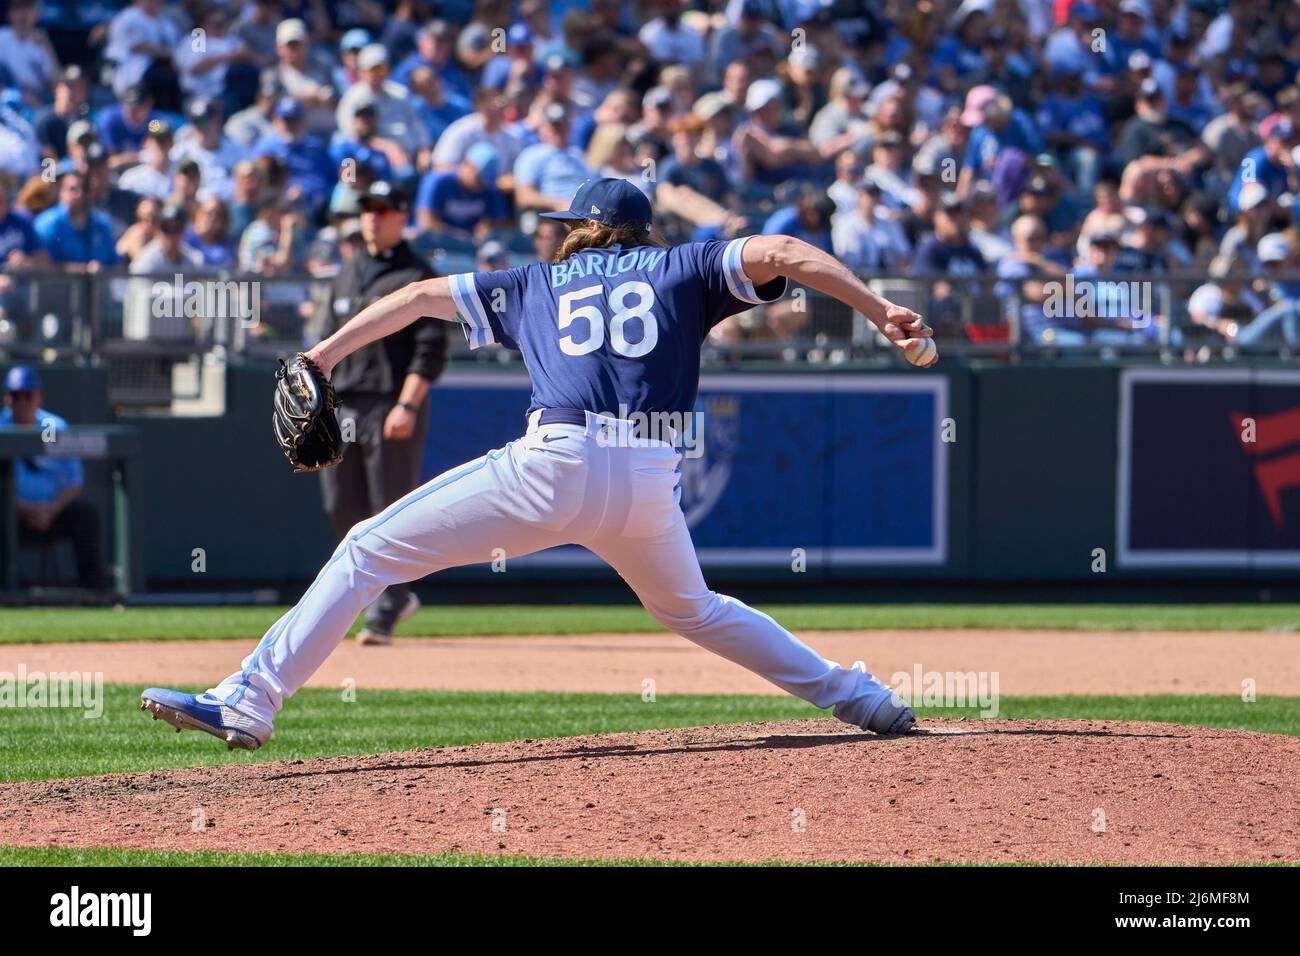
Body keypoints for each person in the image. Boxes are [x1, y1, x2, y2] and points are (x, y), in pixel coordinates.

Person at [138, 177, 934, 751]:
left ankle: (249, 697)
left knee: (367, 547)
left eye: (564, 224)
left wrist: (319, 353)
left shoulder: (536, 281)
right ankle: (861, 699)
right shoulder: (684, 266)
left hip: (556, 462)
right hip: (652, 478)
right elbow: (789, 249)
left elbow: (416, 297)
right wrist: (880, 308)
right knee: (694, 609)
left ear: (581, 229)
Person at [318, 181, 448, 646]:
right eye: (366, 209)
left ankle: (390, 605)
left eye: (382, 209)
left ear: (401, 217)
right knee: (341, 505)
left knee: (389, 509)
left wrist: (408, 404)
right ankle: (386, 594)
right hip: (344, 405)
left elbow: (429, 352)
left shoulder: (417, 274)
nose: (371, 216)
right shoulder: (346, 272)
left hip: (391, 401)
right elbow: (322, 342)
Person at [0, 366, 105, 590]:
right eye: (17, 396)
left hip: (52, 513)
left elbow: (74, 483)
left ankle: (94, 594)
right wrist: (25, 509)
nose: (23, 402)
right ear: (7, 398)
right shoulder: (1, 427)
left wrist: (52, 509)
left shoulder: (54, 427)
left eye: (29, 395)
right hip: (10, 514)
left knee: (85, 514)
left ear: (39, 397)